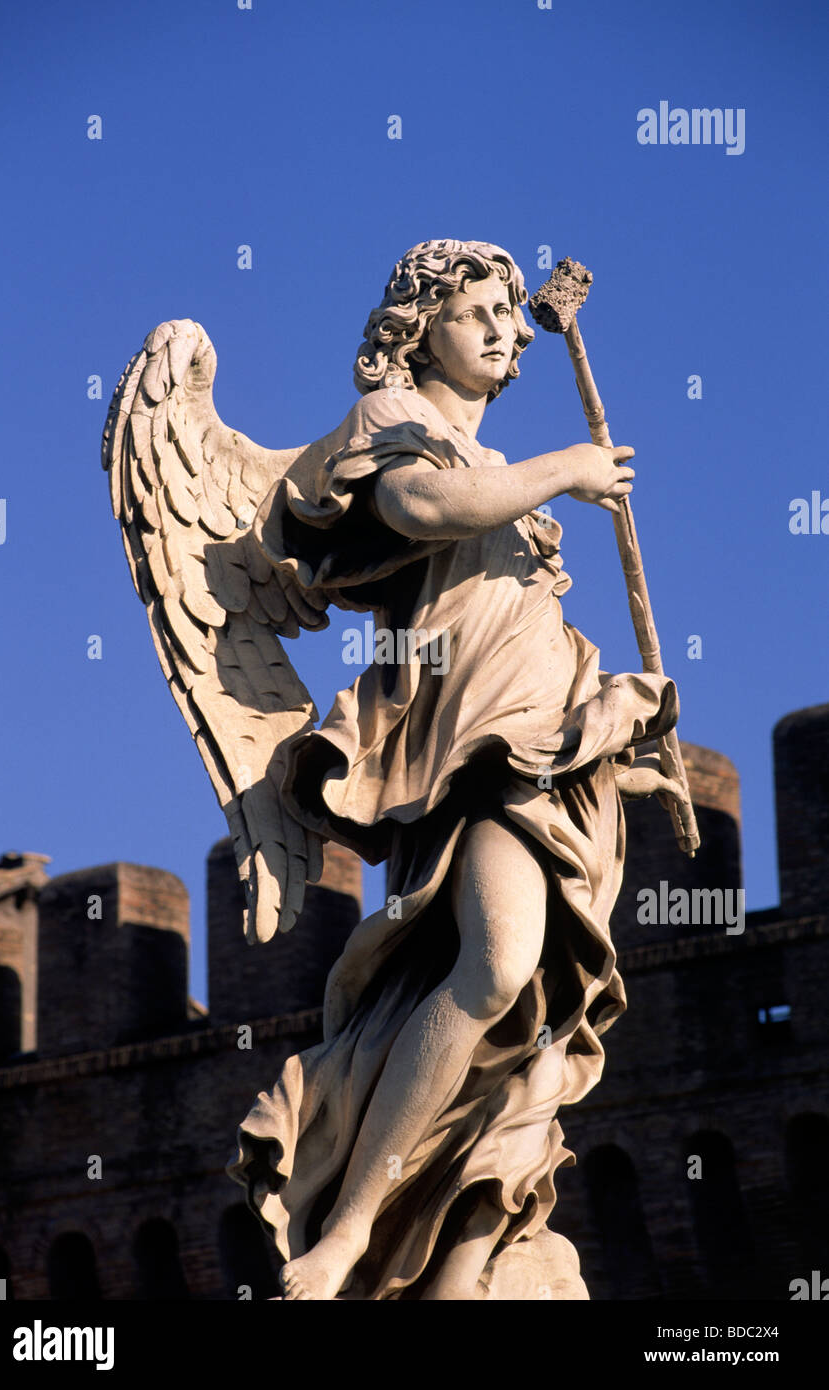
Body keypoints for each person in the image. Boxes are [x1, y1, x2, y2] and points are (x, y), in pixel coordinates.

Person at [228, 239, 684, 1300]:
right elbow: (418, 511)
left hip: (549, 742)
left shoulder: (501, 481)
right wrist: (565, 470)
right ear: (413, 324)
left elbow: (520, 606)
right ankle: (346, 1233)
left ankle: (461, 1251)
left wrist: (621, 742)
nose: (505, 331)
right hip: (469, 737)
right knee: (494, 965)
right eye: (476, 309)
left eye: (510, 318)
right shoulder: (395, 428)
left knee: (527, 1013)